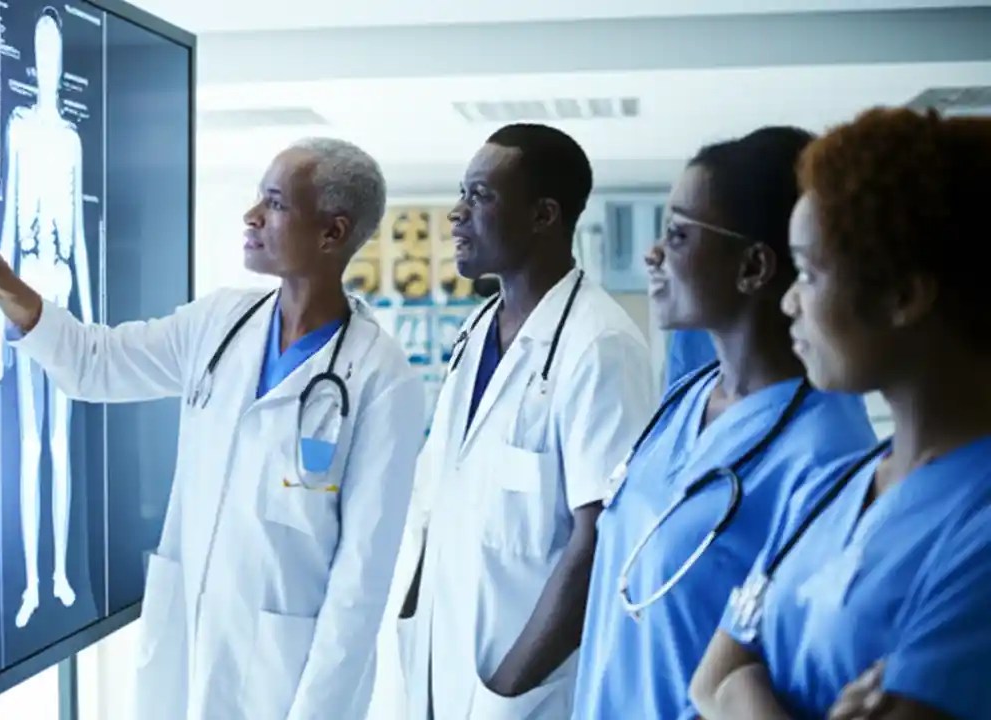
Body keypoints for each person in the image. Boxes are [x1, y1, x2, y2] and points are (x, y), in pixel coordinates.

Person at [0, 137, 428, 720]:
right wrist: (4, 282)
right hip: (186, 653)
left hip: (286, 682)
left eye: (275, 203)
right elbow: (97, 364)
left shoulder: (380, 378)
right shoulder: (220, 321)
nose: (251, 215)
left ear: (332, 233)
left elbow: (361, 584)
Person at [690, 107, 991, 720]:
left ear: (904, 295)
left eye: (808, 272)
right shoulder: (833, 490)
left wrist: (749, 692)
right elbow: (714, 678)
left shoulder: (978, 526)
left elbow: (737, 684)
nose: (789, 300)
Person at [570, 127, 877, 720]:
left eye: (678, 234)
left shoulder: (826, 455)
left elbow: (797, 672)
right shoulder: (685, 400)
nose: (651, 254)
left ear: (754, 266)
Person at [395, 123, 658, 719]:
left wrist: (507, 692)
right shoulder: (475, 330)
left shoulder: (600, 344)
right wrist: (413, 619)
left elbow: (602, 540)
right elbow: (444, 502)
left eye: (481, 196)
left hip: (524, 695)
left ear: (544, 215)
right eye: (462, 193)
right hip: (440, 676)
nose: (456, 215)